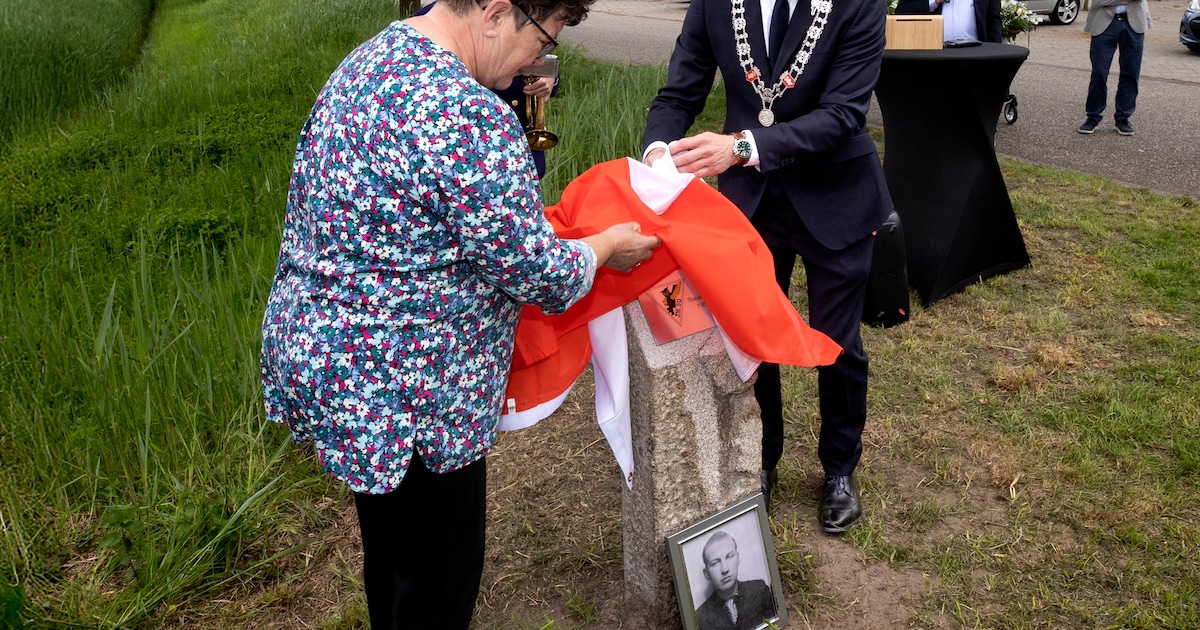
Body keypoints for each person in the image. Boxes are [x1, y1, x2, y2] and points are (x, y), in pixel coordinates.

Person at [259, 0, 660, 627]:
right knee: (439, 583)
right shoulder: (462, 110)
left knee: (396, 564)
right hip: (415, 396)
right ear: (498, 13)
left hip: (343, 374)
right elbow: (540, 274)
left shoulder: (371, 61)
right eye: (543, 39)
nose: (538, 60)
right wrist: (606, 245)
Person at [642, 0, 892, 533]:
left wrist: (741, 145)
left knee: (838, 342)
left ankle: (840, 468)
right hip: (751, 203)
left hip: (836, 195)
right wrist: (659, 153)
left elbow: (845, 113)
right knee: (752, 338)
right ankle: (763, 456)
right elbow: (679, 93)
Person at [414, 0, 560, 177]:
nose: (540, 59)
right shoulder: (465, 105)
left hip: (521, 141)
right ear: (494, 15)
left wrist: (550, 76)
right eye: (542, 42)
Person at [1077, 0, 1150, 136]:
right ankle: (1093, 116)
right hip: (1103, 24)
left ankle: (1123, 117)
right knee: (1099, 71)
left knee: (1131, 72)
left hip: (1134, 24)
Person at [695, 531, 775, 630]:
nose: (725, 569)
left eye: (729, 557)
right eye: (715, 563)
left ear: (738, 558)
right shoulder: (700, 617)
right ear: (706, 573)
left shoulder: (760, 590)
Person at [895, 0, 1002, 43]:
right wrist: (933, 2)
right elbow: (901, 11)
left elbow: (993, 20)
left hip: (974, 56)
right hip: (934, 59)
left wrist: (998, 58)